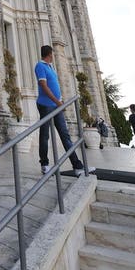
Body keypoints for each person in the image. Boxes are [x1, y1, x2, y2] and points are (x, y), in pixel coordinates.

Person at [35, 45, 92, 176]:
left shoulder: (51, 67)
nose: (54, 56)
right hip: (46, 106)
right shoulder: (40, 66)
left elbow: (53, 84)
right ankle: (44, 164)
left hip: (56, 106)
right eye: (52, 54)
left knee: (64, 134)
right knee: (45, 135)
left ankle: (77, 165)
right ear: (49, 55)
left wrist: (59, 100)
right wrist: (57, 101)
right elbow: (43, 86)